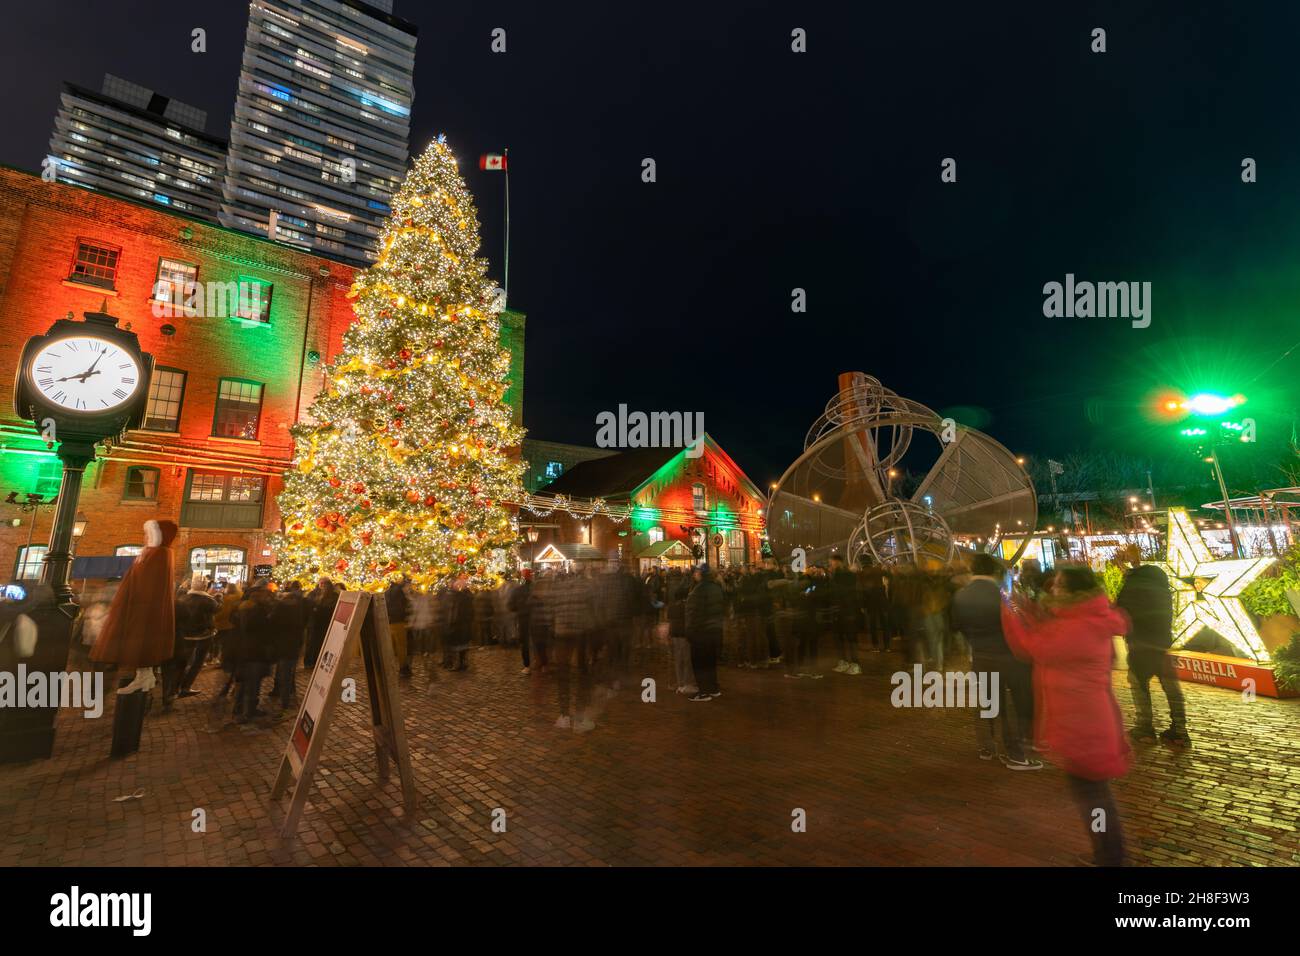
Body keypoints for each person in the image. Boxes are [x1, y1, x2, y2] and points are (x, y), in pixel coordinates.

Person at [1001, 564, 1133, 866]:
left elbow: (1034, 646)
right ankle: (1109, 853)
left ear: (1074, 592)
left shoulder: (1078, 626)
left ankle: (1111, 857)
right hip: (1084, 718)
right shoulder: (1082, 618)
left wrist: (1009, 614)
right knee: (1092, 794)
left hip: (1084, 723)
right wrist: (1029, 610)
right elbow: (1049, 633)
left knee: (1094, 797)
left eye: (1059, 585)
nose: (1053, 589)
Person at [950, 553, 1041, 770]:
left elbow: (955, 625)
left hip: (980, 655)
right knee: (1013, 705)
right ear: (993, 571)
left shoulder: (961, 595)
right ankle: (1015, 753)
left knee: (988, 702)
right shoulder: (1003, 595)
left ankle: (987, 746)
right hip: (1008, 656)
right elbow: (1021, 622)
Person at [1115, 555, 1188, 744]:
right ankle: (1180, 730)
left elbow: (1120, 612)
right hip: (1162, 643)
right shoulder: (1161, 588)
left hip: (1140, 644)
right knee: (1171, 686)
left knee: (1139, 684)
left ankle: (1145, 727)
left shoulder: (1132, 587)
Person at [233, 582, 277, 723]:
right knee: (253, 683)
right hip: (255, 651)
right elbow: (264, 631)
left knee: (244, 682)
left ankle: (239, 708)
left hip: (243, 650)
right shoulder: (257, 612)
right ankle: (249, 711)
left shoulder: (241, 608)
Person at [685, 565, 726, 701]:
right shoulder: (716, 587)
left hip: (701, 631)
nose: (694, 574)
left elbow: (695, 613)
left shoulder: (700, 589)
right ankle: (713, 688)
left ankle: (703, 691)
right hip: (715, 629)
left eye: (696, 572)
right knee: (710, 661)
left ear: (701, 574)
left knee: (700, 662)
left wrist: (690, 631)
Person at [269, 581, 308, 714]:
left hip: (283, 645)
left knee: (284, 672)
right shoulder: (298, 610)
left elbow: (272, 623)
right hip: (293, 645)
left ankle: (284, 699)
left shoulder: (280, 609)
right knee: (288, 672)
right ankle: (288, 695)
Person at [829, 554, 862, 675]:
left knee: (850, 638)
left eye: (831, 562)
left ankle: (855, 664)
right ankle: (845, 662)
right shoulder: (839, 574)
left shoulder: (844, 575)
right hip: (842, 610)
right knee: (841, 637)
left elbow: (844, 592)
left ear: (837, 562)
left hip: (847, 610)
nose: (830, 565)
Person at [667, 574, 697, 695]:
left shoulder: (672, 606)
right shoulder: (687, 606)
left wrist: (669, 634)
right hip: (685, 634)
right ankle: (686, 683)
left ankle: (680, 683)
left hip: (675, 634)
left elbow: (670, 620)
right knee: (686, 659)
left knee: (678, 659)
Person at [304, 579, 336, 670]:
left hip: (326, 623)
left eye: (324, 584)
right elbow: (309, 606)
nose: (322, 586)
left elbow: (332, 607)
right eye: (321, 584)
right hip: (314, 623)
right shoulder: (313, 594)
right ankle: (310, 662)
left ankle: (322, 662)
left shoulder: (333, 595)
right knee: (312, 643)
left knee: (324, 643)